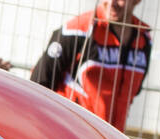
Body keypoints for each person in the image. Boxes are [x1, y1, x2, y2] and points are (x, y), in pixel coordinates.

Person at [31, 0, 151, 131]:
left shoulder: (144, 39)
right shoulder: (77, 29)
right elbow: (39, 81)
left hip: (112, 138)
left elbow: (133, 91)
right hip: (68, 131)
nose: (111, 3)